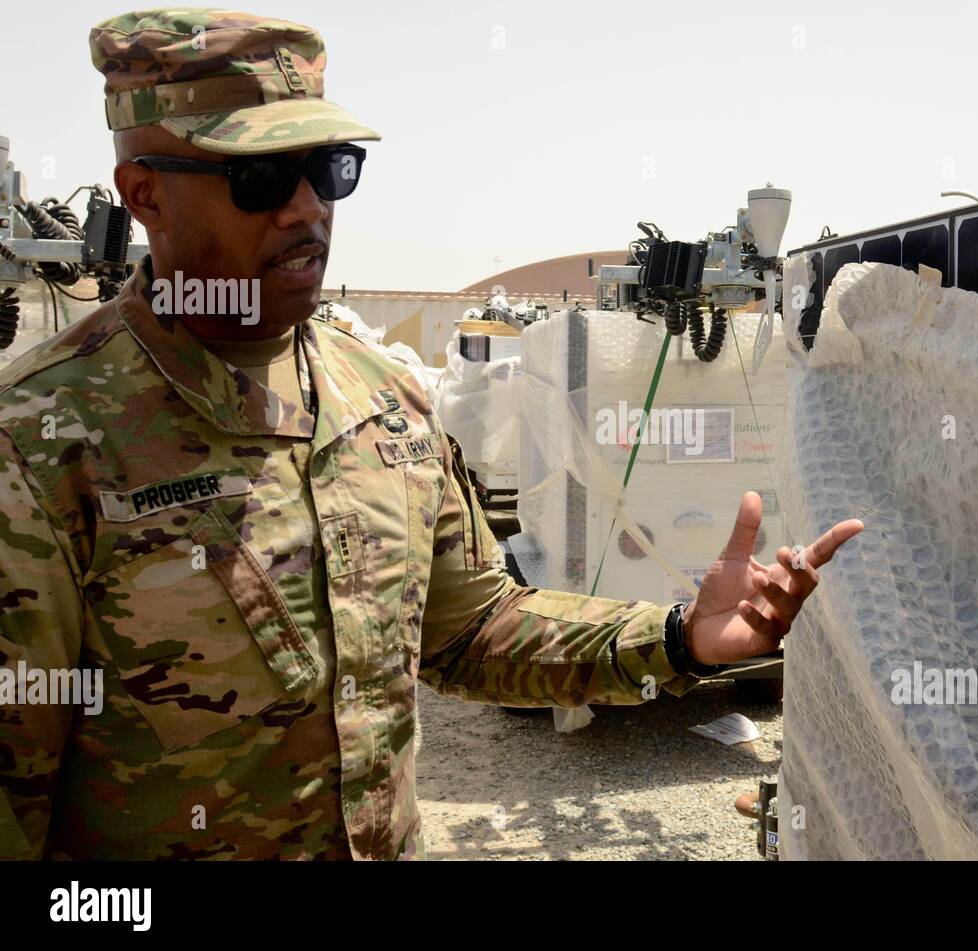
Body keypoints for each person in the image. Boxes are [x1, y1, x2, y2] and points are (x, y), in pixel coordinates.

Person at [0, 8, 863, 860]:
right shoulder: (39, 447)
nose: (306, 207)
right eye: (257, 176)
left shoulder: (380, 397)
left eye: (327, 168)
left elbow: (469, 631)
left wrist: (678, 639)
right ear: (143, 192)